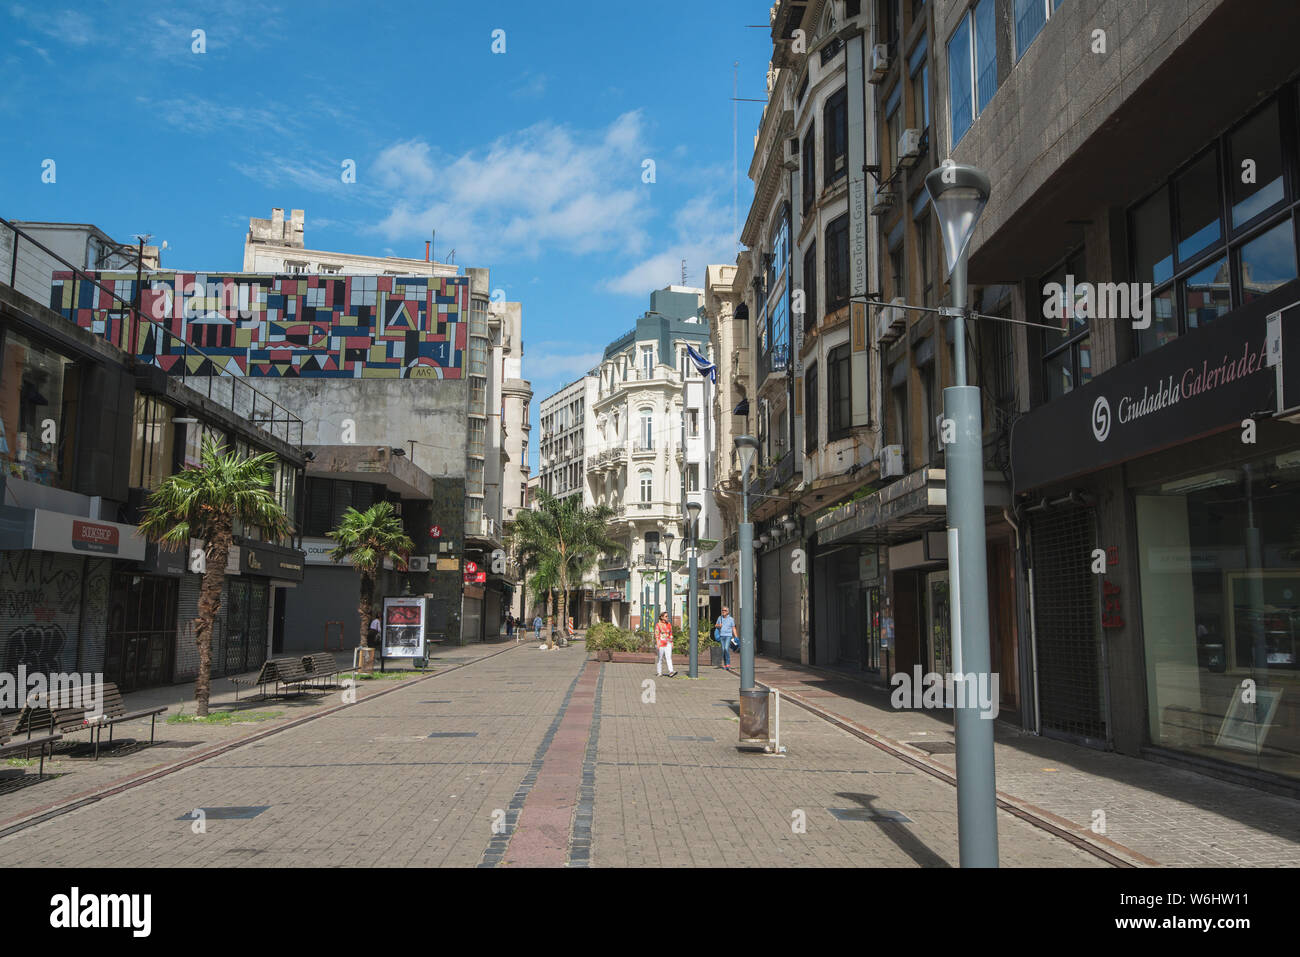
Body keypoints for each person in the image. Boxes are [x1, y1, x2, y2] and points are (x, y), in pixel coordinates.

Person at [654, 611, 676, 677]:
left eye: (667, 616)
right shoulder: (658, 625)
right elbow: (657, 634)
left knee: (668, 657)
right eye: (666, 616)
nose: (667, 617)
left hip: (668, 643)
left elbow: (671, 634)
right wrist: (658, 643)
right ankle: (659, 672)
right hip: (661, 643)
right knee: (660, 658)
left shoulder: (669, 624)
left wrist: (672, 642)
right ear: (662, 617)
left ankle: (671, 671)